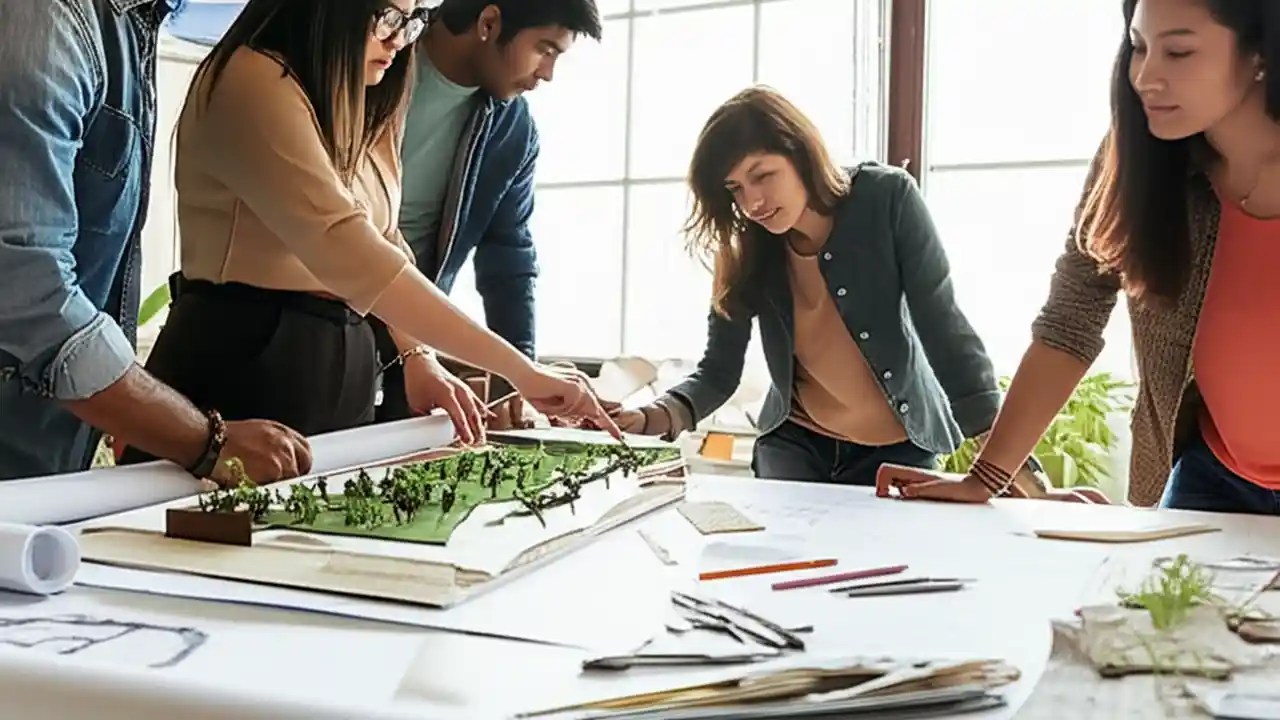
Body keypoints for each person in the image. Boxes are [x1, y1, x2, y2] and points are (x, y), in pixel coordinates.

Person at [120, 0, 618, 470]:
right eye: (387, 17)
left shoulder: (368, 95)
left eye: (412, 19)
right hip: (243, 360)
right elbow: (348, 249)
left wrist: (417, 355)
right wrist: (520, 370)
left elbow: (384, 237)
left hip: (339, 371)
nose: (401, 41)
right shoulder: (251, 78)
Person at [884, 0, 1280, 516]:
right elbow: (1070, 321)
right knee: (1156, 599)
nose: (1146, 76)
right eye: (1139, 48)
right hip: (1215, 477)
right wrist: (987, 478)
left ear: (1259, 55)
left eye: (1180, 52)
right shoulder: (1140, 163)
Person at [605, 87, 1002, 486]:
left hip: (899, 448)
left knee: (889, 550)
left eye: (762, 176)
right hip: (794, 445)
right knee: (786, 550)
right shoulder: (745, 248)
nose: (752, 203)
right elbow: (719, 371)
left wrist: (1005, 458)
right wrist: (646, 418)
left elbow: (942, 323)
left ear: (801, 154)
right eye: (736, 188)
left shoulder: (888, 198)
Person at [0, 0, 308, 486]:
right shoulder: (48, 18)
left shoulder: (133, 25)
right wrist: (206, 442)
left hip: (43, 468)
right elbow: (27, 291)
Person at [376, 0, 603, 431]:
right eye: (546, 49)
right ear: (489, 22)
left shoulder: (514, 131)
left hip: (412, 339)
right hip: (315, 322)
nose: (547, 73)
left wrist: (517, 381)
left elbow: (509, 262)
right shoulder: (377, 61)